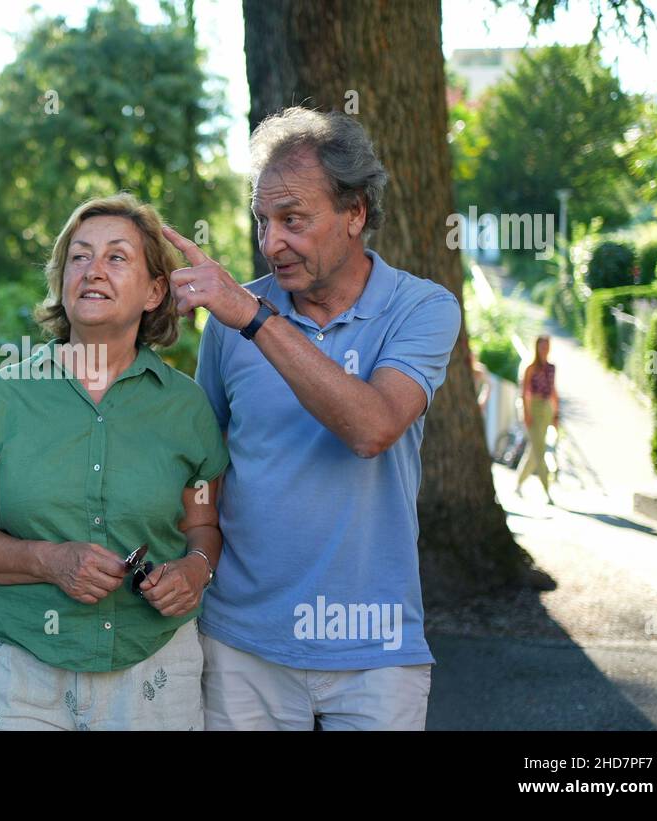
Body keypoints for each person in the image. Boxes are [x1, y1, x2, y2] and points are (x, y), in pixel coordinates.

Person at [162, 106, 461, 730]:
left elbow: (371, 428)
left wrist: (251, 318)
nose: (272, 243)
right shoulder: (232, 319)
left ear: (355, 213)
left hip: (376, 647)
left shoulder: (423, 309)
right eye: (263, 221)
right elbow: (203, 463)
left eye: (293, 219)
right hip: (243, 642)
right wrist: (194, 560)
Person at [0, 192, 230, 731]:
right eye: (79, 256)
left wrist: (195, 569)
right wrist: (50, 561)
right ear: (61, 280)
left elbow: (204, 524)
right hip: (19, 666)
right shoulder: (7, 394)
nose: (93, 270)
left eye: (116, 257)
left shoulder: (187, 407)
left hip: (154, 665)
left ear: (154, 291)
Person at [515, 335, 560, 503]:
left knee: (534, 451)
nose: (545, 349)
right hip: (532, 407)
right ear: (537, 347)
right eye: (542, 346)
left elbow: (554, 391)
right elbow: (524, 390)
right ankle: (547, 490)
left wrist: (556, 414)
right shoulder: (530, 367)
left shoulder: (551, 367)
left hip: (546, 408)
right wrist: (526, 413)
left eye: (547, 346)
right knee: (539, 450)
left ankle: (518, 483)